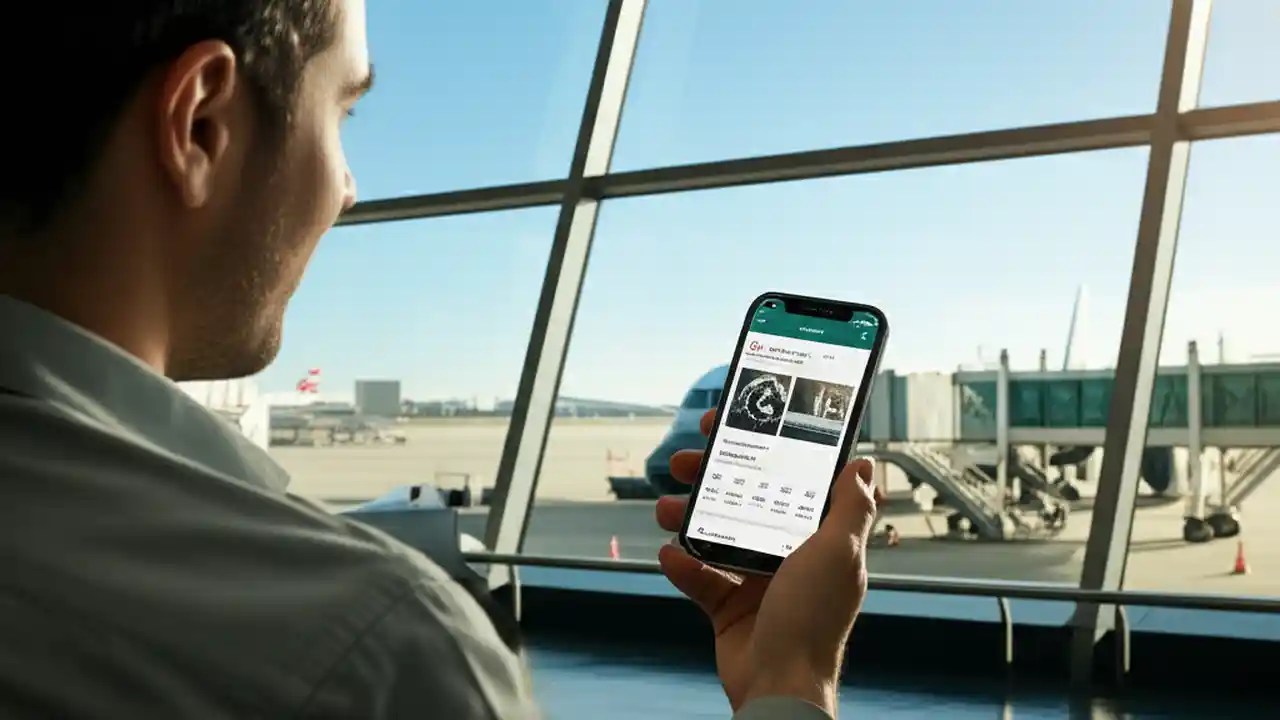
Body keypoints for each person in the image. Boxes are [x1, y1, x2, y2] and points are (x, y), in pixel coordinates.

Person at [0, 1, 882, 717]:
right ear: (199, 124)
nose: (349, 187)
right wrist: (790, 687)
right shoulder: (378, 652)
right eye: (342, 111)